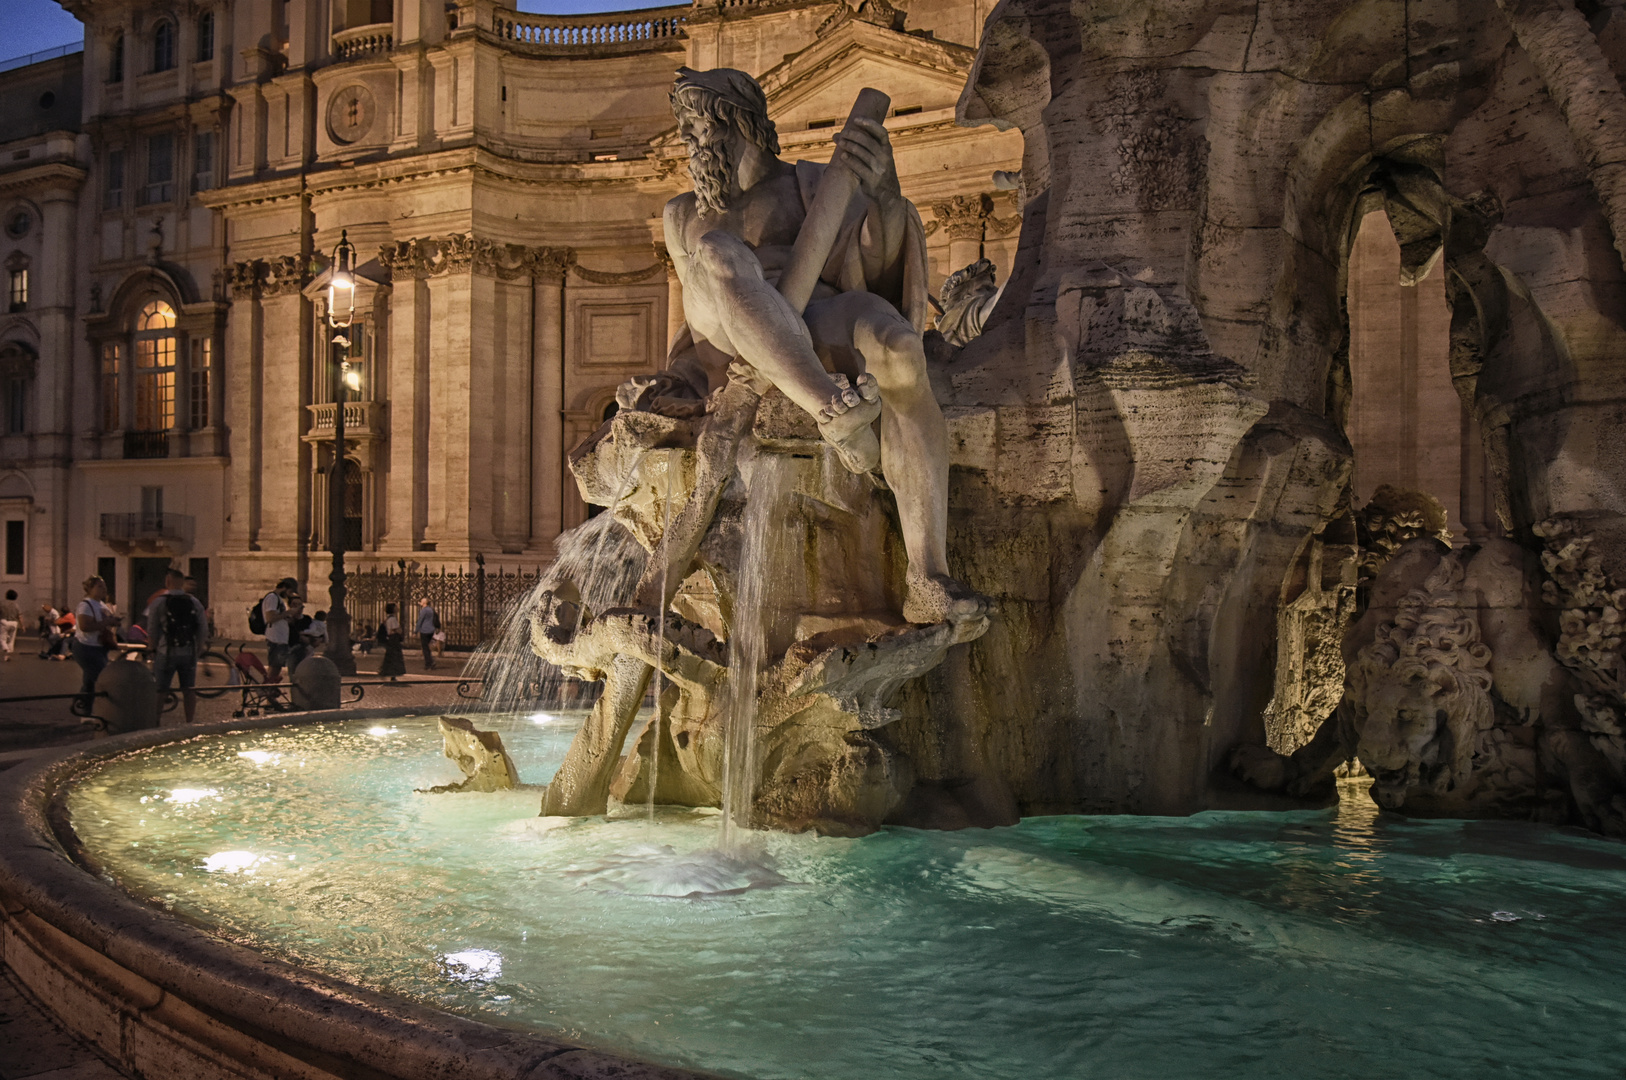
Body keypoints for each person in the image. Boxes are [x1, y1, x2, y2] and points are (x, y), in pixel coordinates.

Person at [660, 67, 986, 627]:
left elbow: (878, 266)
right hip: (732, 326)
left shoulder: (812, 184)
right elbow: (697, 327)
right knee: (718, 252)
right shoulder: (684, 215)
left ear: (736, 122)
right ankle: (832, 411)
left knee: (902, 349)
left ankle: (927, 574)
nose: (686, 141)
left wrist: (883, 192)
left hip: (814, 314)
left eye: (693, 125)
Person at [144, 567, 208, 723]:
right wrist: (199, 647)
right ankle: (189, 721)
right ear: (182, 583)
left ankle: (156, 720)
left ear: (167, 581)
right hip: (188, 652)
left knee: (160, 689)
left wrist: (151, 648)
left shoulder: (158, 602)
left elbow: (152, 628)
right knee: (189, 689)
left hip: (166, 652)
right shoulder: (194, 602)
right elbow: (203, 627)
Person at [71, 576, 119, 708]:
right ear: (90, 589)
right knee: (102, 679)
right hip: (86, 647)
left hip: (100, 646)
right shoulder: (85, 605)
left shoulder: (102, 604)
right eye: (99, 586)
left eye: (104, 586)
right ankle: (104, 709)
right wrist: (107, 622)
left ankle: (84, 708)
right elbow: (85, 627)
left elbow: (105, 622)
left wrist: (113, 622)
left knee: (90, 682)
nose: (104, 589)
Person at [260, 577, 297, 684]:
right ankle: (267, 691)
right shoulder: (272, 598)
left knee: (276, 668)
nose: (289, 595)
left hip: (280, 638)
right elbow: (270, 617)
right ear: (284, 587)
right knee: (274, 668)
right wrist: (288, 613)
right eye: (289, 591)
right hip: (275, 638)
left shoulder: (278, 599)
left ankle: (269, 692)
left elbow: (278, 617)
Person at [376, 602, 406, 679]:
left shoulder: (388, 618)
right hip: (394, 639)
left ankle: (386, 672)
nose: (397, 608)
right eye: (396, 607)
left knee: (390, 656)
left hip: (391, 639)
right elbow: (395, 630)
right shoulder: (393, 619)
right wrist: (400, 630)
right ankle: (392, 673)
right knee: (395, 657)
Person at [285, 595, 312, 671]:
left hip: (305, 648)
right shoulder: (286, 620)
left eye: (300, 605)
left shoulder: (307, 619)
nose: (298, 607)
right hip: (291, 648)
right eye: (295, 605)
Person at [416, 597, 440, 670]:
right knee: (427, 647)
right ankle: (430, 661)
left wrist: (416, 631)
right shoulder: (431, 610)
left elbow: (420, 621)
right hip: (431, 630)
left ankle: (429, 663)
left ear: (423, 603)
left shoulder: (424, 611)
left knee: (425, 648)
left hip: (424, 630)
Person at [0, 589, 20, 661]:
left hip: (4, 621)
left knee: (2, 638)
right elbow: (19, 616)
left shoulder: (1, 603)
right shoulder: (16, 605)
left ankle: (5, 648)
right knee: (11, 640)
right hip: (14, 623)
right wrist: (22, 625)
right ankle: (7, 656)